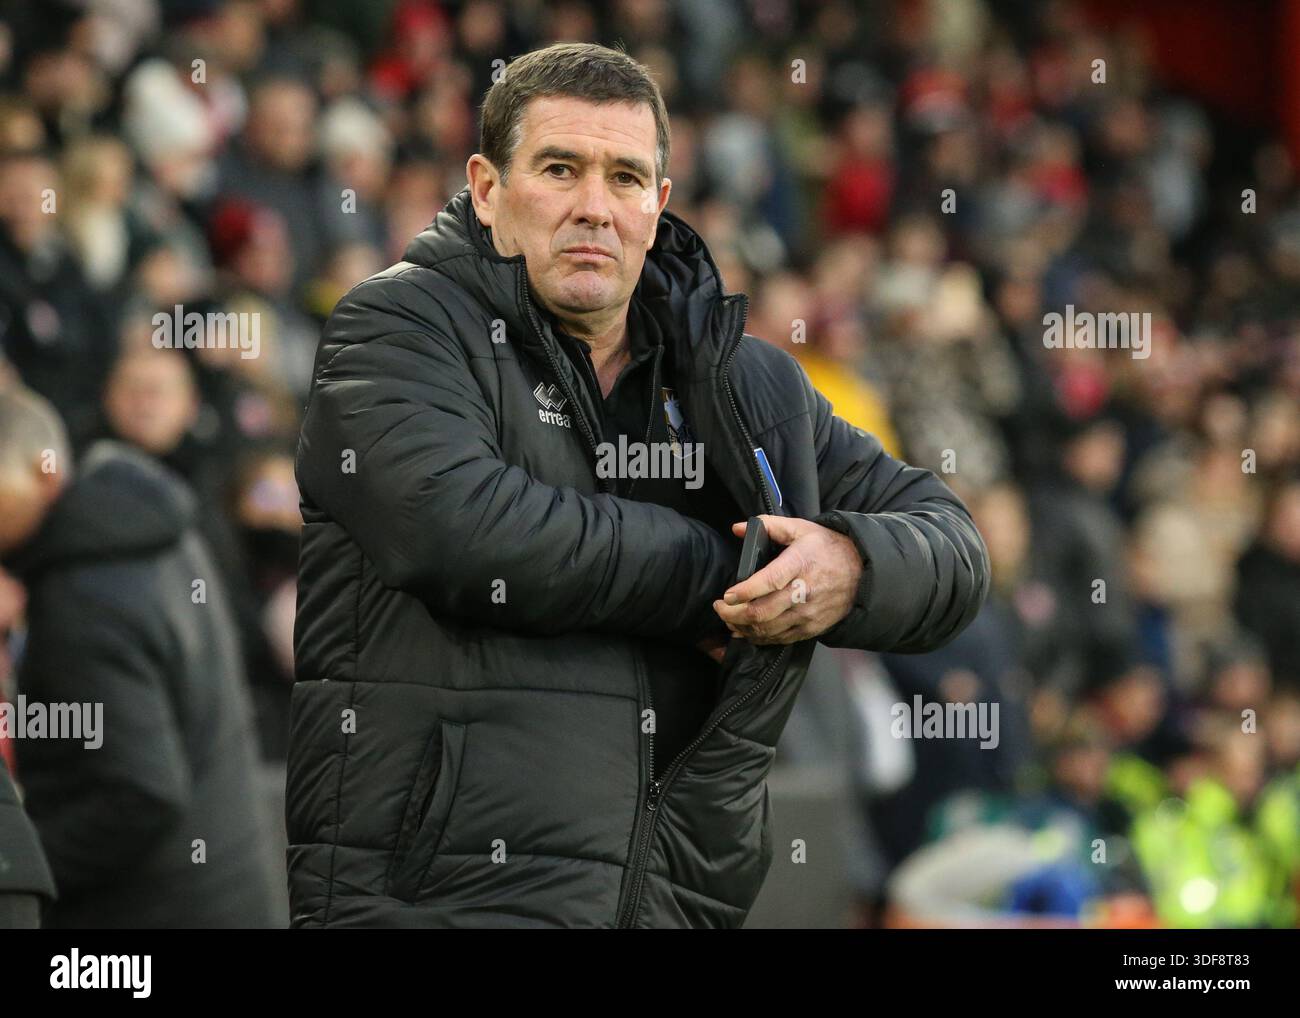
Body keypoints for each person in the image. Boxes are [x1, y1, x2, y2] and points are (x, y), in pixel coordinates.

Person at [286, 42, 989, 929]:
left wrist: (847, 565)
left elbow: (953, 544)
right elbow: (457, 526)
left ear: (660, 204)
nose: (594, 207)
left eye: (625, 178)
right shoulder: (399, 324)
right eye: (558, 168)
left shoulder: (747, 384)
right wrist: (735, 581)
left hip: (679, 896)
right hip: (445, 898)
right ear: (488, 188)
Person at [0, 384, 281, 928]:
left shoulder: (84, 592)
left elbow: (138, 795)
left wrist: (21, 869)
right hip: (227, 890)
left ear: (45, 472)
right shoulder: (143, 529)